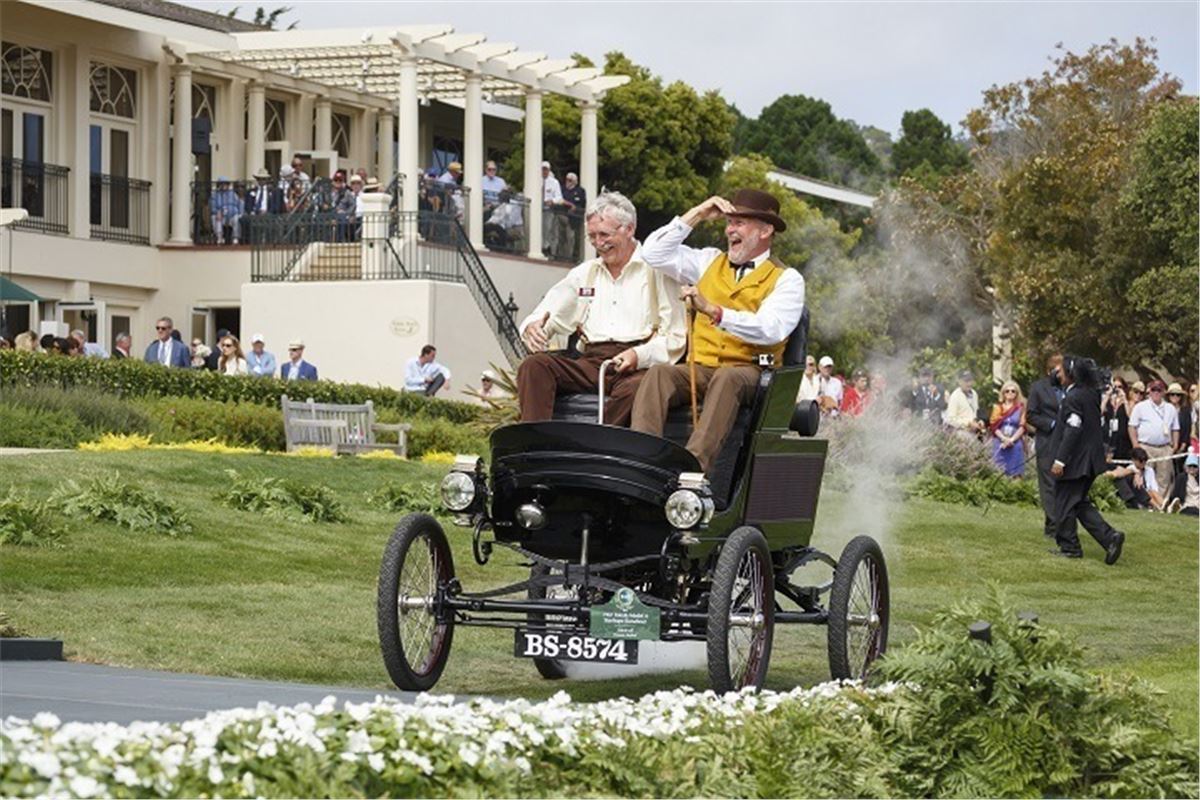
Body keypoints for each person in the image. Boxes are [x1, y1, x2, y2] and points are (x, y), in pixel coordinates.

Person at [631, 189, 804, 471]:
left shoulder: (787, 279)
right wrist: (698, 213)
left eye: (739, 223)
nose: (729, 230)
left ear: (765, 230)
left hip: (751, 370)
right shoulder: (708, 260)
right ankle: (641, 463)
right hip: (700, 367)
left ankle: (692, 469)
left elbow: (771, 329)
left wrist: (715, 311)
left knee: (728, 378)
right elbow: (652, 252)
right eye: (728, 222)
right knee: (659, 374)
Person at [516, 191, 685, 426]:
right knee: (534, 366)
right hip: (591, 361)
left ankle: (594, 450)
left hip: (638, 365)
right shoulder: (584, 274)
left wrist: (639, 355)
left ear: (629, 229)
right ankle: (534, 449)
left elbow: (676, 337)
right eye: (592, 236)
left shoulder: (657, 271)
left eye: (604, 234)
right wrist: (533, 328)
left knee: (637, 389)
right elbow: (546, 314)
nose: (598, 243)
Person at [1047, 355, 1125, 564]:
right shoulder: (1090, 393)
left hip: (1075, 461)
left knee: (1064, 503)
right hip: (1089, 459)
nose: (1058, 374)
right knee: (1078, 503)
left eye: (1061, 370)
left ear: (1071, 374)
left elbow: (1073, 429)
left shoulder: (1073, 397)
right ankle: (1110, 538)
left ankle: (1070, 547)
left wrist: (1060, 460)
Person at [1128, 379, 1179, 496]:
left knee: (1164, 477)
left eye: (1159, 390)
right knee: (1146, 476)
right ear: (1149, 392)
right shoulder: (1140, 407)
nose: (1156, 392)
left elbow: (1175, 428)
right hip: (1146, 446)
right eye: (1153, 390)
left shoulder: (1170, 408)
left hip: (1164, 448)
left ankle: (1162, 503)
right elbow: (1132, 427)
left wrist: (1175, 445)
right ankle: (1147, 502)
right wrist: (1135, 444)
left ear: (1163, 392)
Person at [989, 380, 1027, 478]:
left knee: (1016, 474)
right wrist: (1004, 439)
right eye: (1007, 391)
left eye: (1013, 391)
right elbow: (994, 426)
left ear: (1017, 393)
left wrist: (1011, 440)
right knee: (999, 473)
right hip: (1000, 443)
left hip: (1015, 442)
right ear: (1003, 393)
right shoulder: (998, 408)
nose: (1010, 393)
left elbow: (1022, 427)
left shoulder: (1021, 408)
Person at [1102, 376, 1132, 463]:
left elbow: (1130, 415)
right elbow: (1100, 411)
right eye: (1115, 387)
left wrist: (1124, 399)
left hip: (1123, 438)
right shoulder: (1108, 401)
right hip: (1109, 437)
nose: (1117, 389)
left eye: (1120, 387)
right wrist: (1108, 395)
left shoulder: (1128, 401)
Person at [945, 370, 985, 436]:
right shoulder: (955, 396)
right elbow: (950, 419)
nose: (969, 383)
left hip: (975, 431)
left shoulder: (974, 394)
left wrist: (979, 421)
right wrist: (968, 423)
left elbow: (975, 412)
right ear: (959, 382)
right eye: (966, 381)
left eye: (970, 380)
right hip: (961, 432)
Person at [559, 172, 587, 261]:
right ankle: (561, 256)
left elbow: (582, 204)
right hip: (562, 215)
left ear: (575, 181)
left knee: (571, 238)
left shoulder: (580, 191)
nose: (568, 181)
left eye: (570, 180)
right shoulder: (562, 189)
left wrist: (575, 209)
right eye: (567, 179)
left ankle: (570, 257)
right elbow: (560, 200)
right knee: (561, 237)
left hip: (574, 219)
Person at [1166, 382, 1191, 478]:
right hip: (1166, 446)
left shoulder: (1185, 411)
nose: (1175, 397)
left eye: (1178, 394)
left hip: (1181, 447)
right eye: (1172, 394)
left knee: (1180, 473)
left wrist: (1181, 448)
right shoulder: (1163, 410)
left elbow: (1187, 431)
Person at [541, 161, 565, 257]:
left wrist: (552, 201)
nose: (544, 171)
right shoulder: (535, 180)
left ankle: (546, 248)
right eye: (543, 169)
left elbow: (559, 198)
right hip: (536, 210)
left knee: (548, 229)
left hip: (548, 209)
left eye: (546, 169)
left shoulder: (554, 182)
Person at [210, 177, 242, 244]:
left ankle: (235, 238)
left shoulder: (232, 194)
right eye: (222, 184)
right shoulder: (215, 194)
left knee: (237, 219)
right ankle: (220, 237)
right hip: (221, 215)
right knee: (215, 218)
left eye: (225, 184)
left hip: (232, 214)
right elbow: (212, 206)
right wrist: (217, 212)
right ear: (219, 185)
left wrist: (240, 213)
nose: (224, 185)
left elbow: (240, 203)